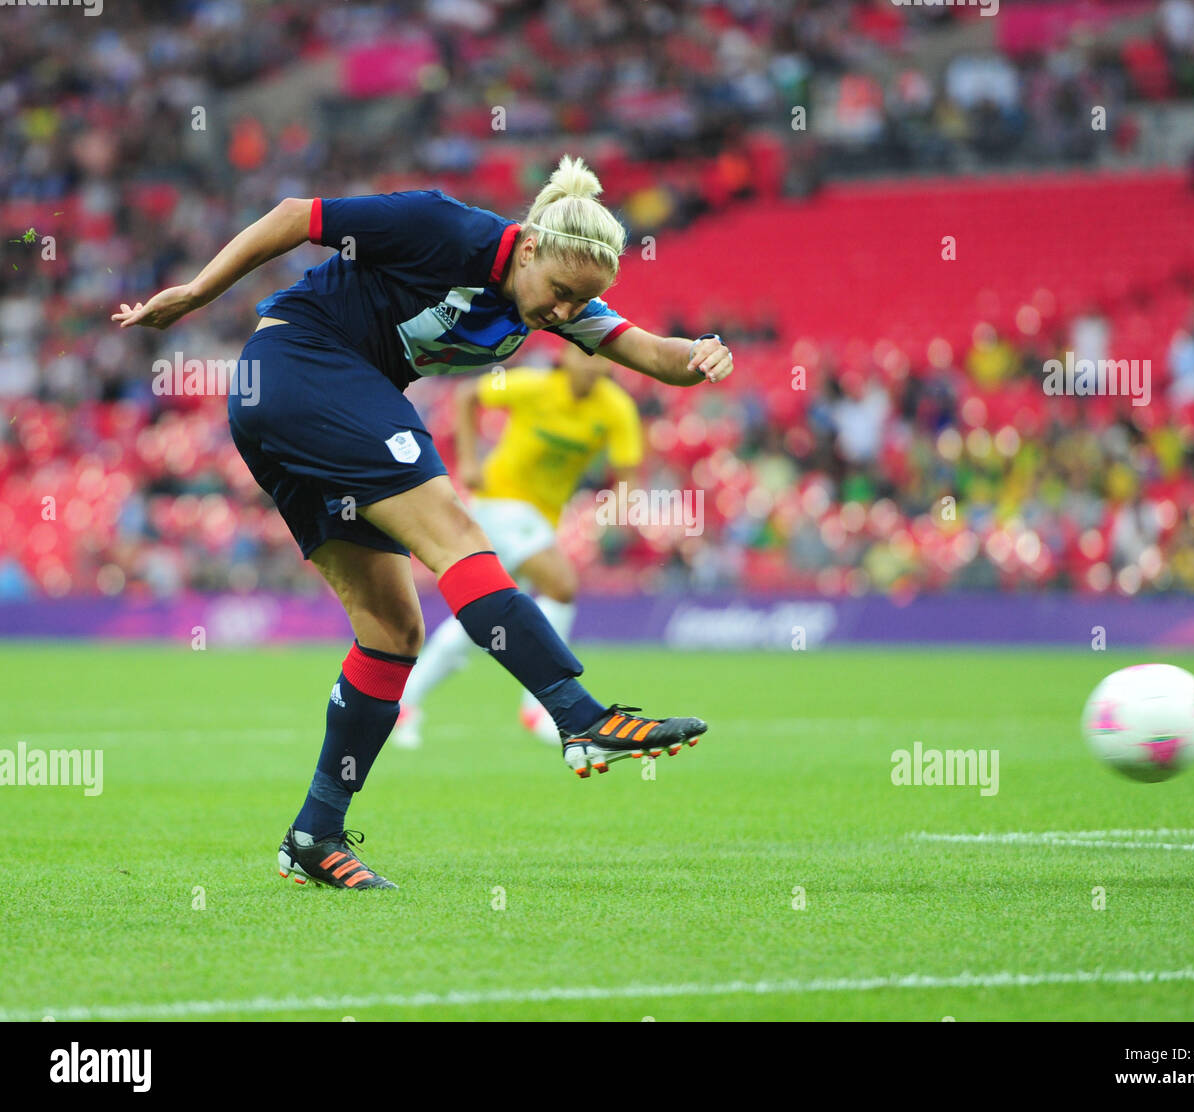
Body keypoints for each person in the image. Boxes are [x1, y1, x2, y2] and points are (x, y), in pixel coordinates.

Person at [112, 156, 733, 890]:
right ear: (529, 246)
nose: (565, 314)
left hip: (308, 406)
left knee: (391, 631)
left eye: (580, 304)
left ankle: (315, 833)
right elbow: (294, 216)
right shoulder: (442, 227)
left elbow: (648, 353)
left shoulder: (553, 295)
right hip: (301, 365)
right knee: (458, 537)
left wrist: (698, 359)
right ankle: (577, 713)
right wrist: (194, 294)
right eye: (563, 296)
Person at [394, 344, 643, 748]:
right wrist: (470, 460)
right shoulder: (535, 385)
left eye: (600, 358)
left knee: (488, 613)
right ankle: (540, 708)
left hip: (542, 519)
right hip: (500, 501)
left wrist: (610, 513)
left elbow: (629, 476)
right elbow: (466, 394)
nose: (590, 364)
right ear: (568, 358)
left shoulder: (616, 409)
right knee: (561, 586)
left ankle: (405, 699)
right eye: (584, 355)